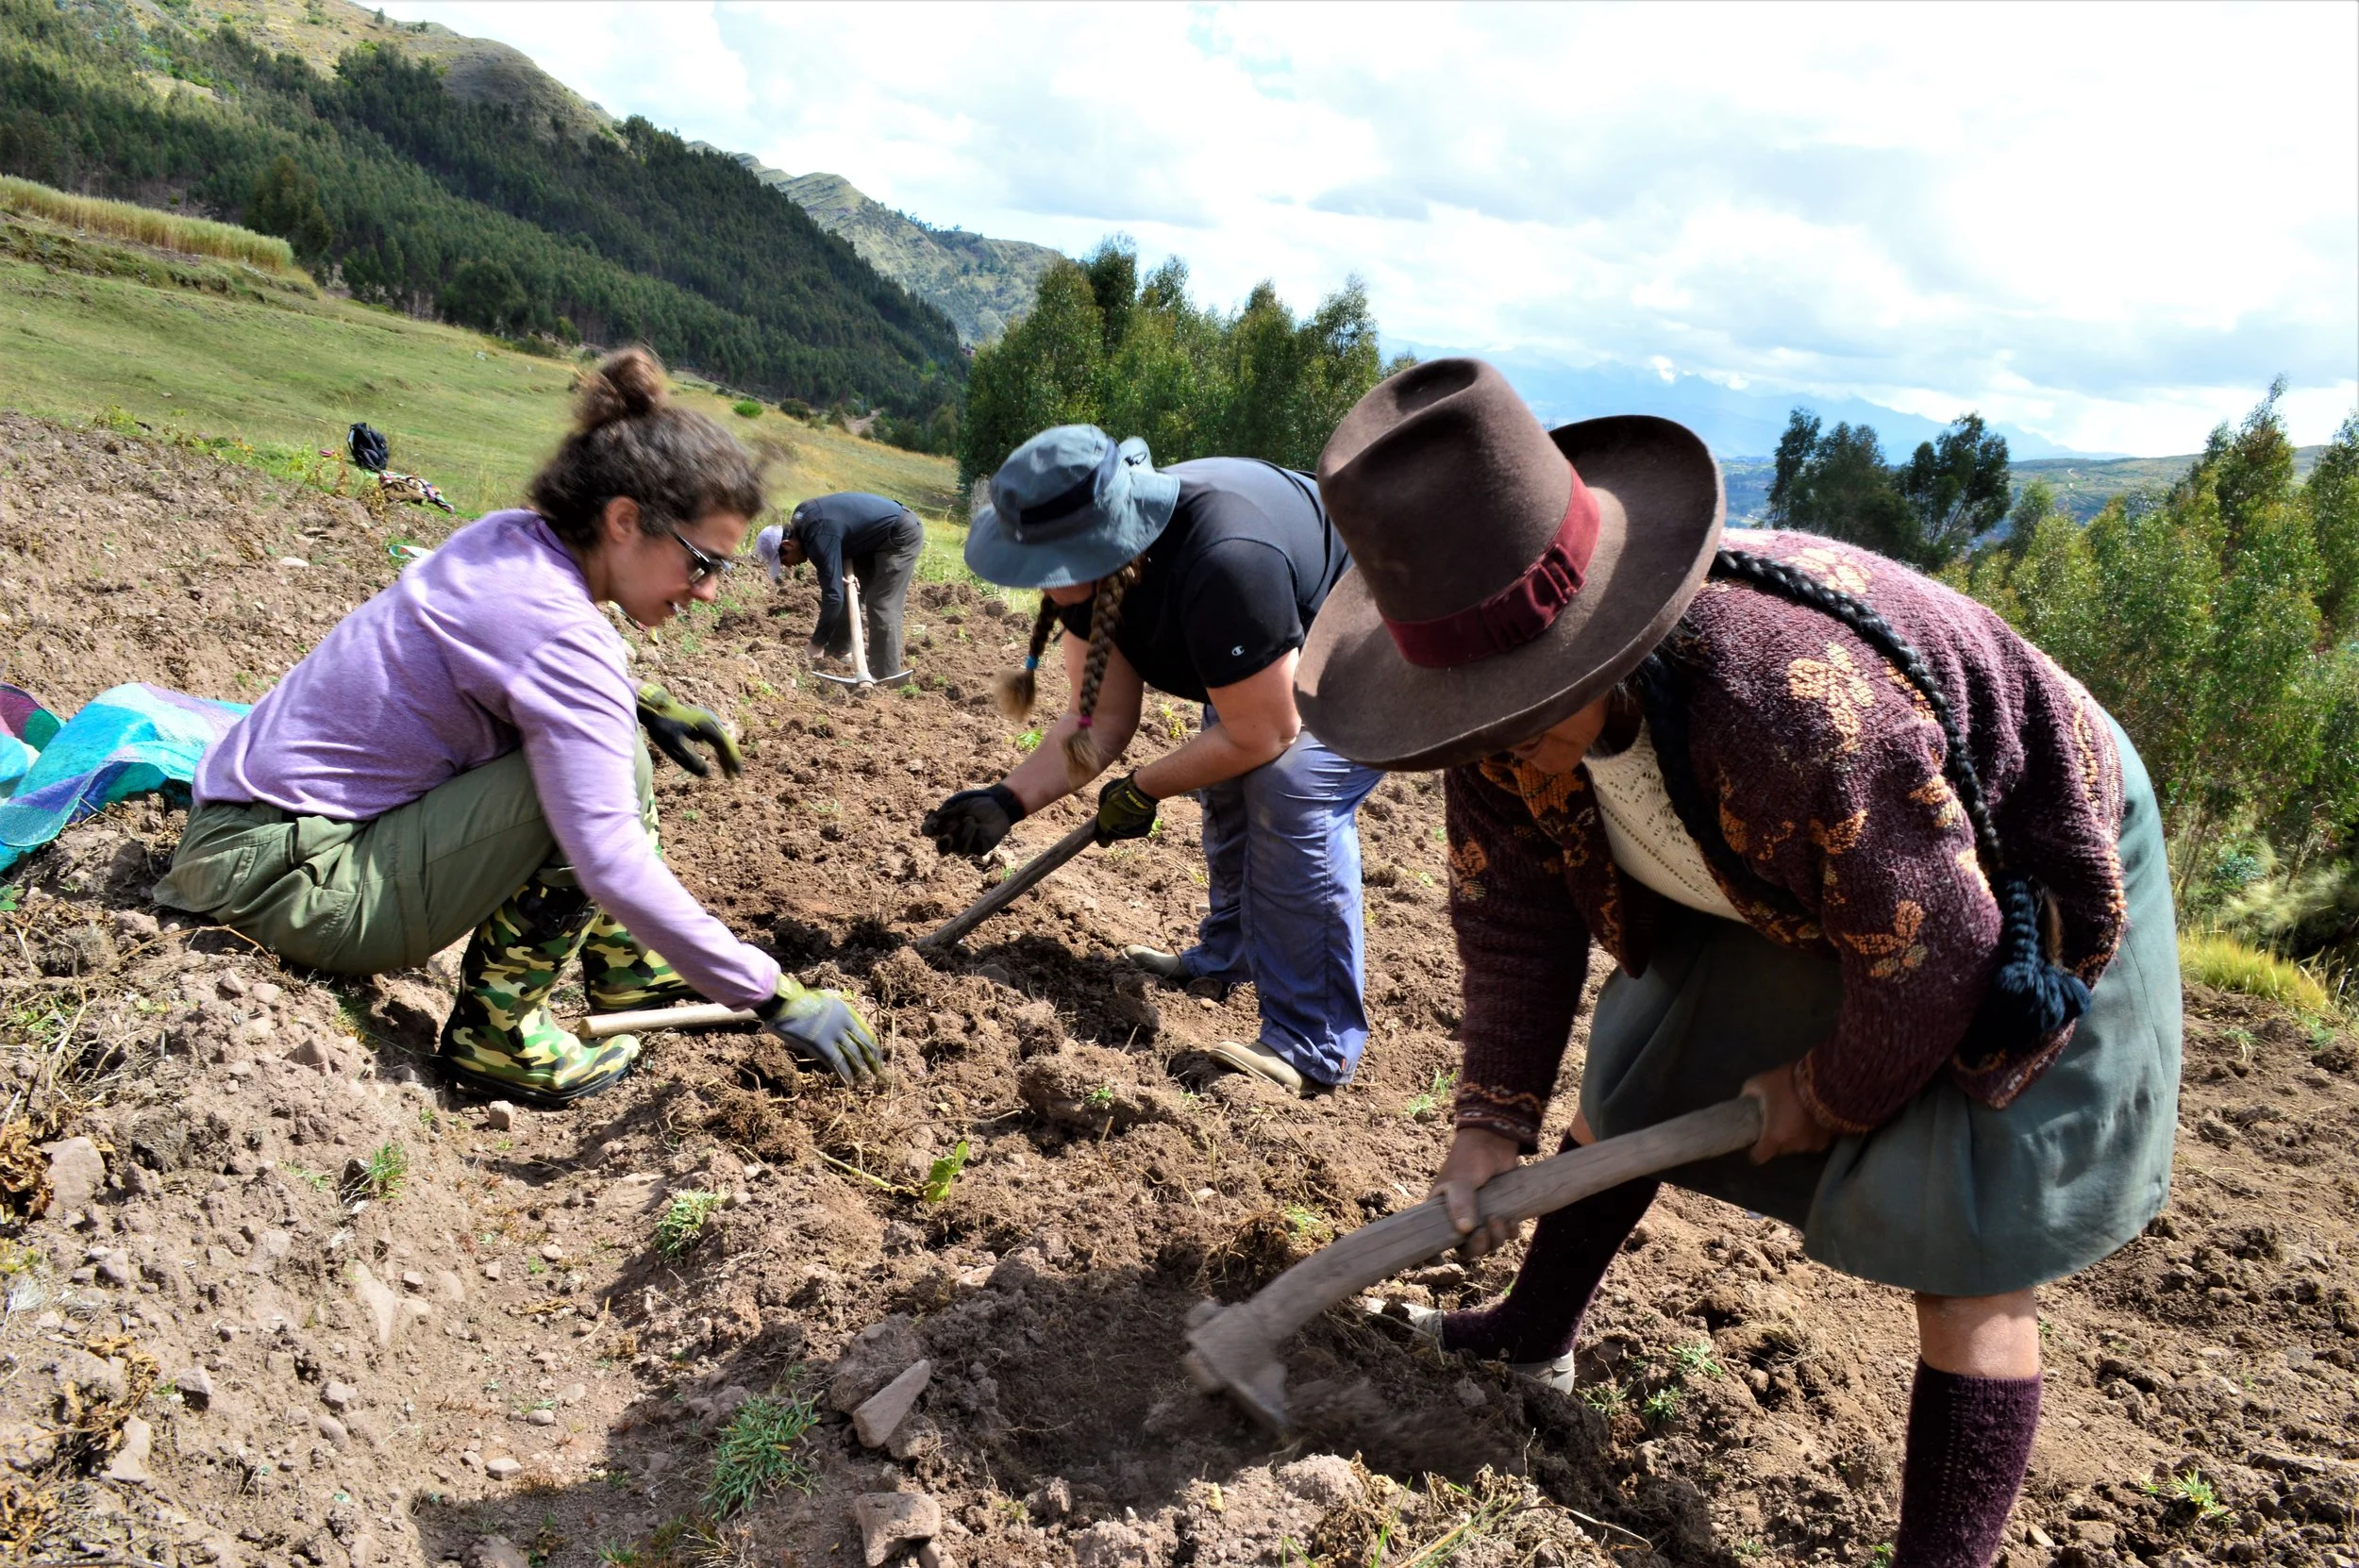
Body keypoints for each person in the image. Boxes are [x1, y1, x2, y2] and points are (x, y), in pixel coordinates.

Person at [1297, 359, 2179, 1568]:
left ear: (1604, 643)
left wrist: (1824, 1093)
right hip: (1788, 853)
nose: (1503, 755)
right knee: (1638, 1068)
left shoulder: (1794, 707)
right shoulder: (1490, 720)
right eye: (1476, 720)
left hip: (2010, 851)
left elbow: (1943, 952)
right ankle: (1528, 1334)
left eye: (1519, 712)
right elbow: (1512, 916)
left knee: (1973, 1238)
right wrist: (1489, 1118)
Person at [155, 348, 886, 1104]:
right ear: (624, 520)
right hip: (285, 887)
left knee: (607, 753)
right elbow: (608, 859)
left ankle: (631, 977)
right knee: (590, 785)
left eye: (721, 571)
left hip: (241, 844)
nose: (705, 591)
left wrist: (632, 698)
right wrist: (771, 995)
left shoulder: (509, 539)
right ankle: (497, 1042)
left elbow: (501, 658)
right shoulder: (566, 638)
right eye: (701, 562)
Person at [919, 425, 1382, 1095]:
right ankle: (1226, 959)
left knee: (1291, 787)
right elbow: (1101, 722)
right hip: (1269, 640)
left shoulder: (1225, 560)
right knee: (1224, 776)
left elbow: (1265, 733)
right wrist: (1008, 799)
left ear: (1095, 544)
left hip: (1370, 624)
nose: (1036, 585)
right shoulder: (1090, 583)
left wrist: (1143, 788)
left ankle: (1313, 1043)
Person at [754, 492, 927, 678]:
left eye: (783, 561)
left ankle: (886, 675)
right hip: (869, 539)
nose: (788, 566)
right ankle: (839, 651)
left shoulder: (818, 537)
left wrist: (817, 643)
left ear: (787, 545)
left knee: (881, 603)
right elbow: (838, 529)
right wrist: (836, 573)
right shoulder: (802, 519)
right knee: (844, 590)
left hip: (899, 533)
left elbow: (832, 597)